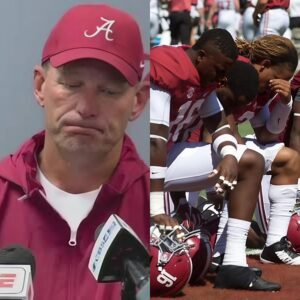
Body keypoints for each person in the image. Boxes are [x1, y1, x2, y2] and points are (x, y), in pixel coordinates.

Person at [0, 4, 149, 300]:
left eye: (109, 91)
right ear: (41, 86)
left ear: (137, 101)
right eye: (72, 84)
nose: (86, 108)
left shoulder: (153, 203)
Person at [150, 28, 280, 291]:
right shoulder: (165, 69)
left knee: (250, 160)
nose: (223, 80)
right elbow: (154, 141)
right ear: (200, 57)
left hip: (166, 158)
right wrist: (156, 209)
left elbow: (219, 124)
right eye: (220, 71)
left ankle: (232, 263)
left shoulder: (205, 77)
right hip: (134, 164)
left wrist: (230, 156)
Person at [211, 35, 300, 269]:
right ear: (265, 65)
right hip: (200, 144)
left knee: (289, 160)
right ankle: (222, 250)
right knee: (251, 159)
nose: (278, 84)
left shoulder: (262, 86)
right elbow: (222, 127)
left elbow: (267, 135)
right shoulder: (238, 72)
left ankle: (274, 246)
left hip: (224, 144)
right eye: (280, 78)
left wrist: (285, 103)